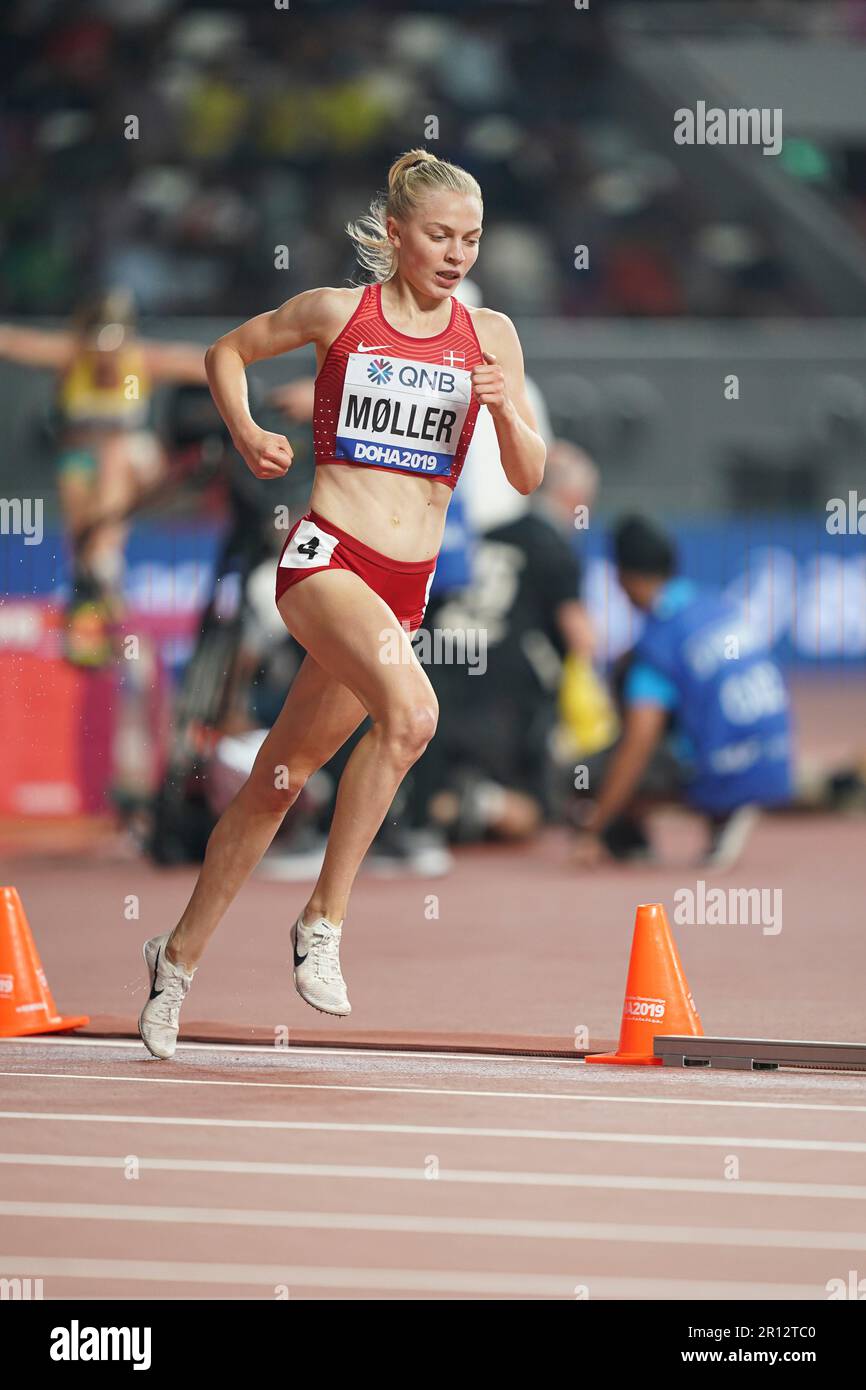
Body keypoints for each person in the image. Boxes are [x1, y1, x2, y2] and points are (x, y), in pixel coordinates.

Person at [138, 148, 546, 1058]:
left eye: (470, 239)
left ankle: (174, 961)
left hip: (406, 588)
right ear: (395, 234)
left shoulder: (493, 337)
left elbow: (525, 474)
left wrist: (507, 411)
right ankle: (322, 921)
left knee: (276, 783)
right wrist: (246, 432)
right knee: (412, 713)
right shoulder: (338, 313)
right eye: (439, 236)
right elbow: (226, 353)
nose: (455, 254)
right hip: (328, 558)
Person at [572, 516, 793, 869]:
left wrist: (594, 829)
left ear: (622, 577)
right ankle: (722, 812)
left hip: (723, 771)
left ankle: (633, 832)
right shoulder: (717, 607)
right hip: (775, 761)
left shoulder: (658, 643)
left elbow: (638, 743)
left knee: (581, 774)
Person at [0, 289, 209, 663]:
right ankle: (91, 576)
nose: (106, 355)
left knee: (115, 452)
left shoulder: (141, 359)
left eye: (113, 343)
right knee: (79, 490)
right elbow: (15, 342)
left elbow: (204, 360)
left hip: (138, 461)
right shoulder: (71, 356)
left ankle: (100, 563)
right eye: (99, 344)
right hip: (85, 462)